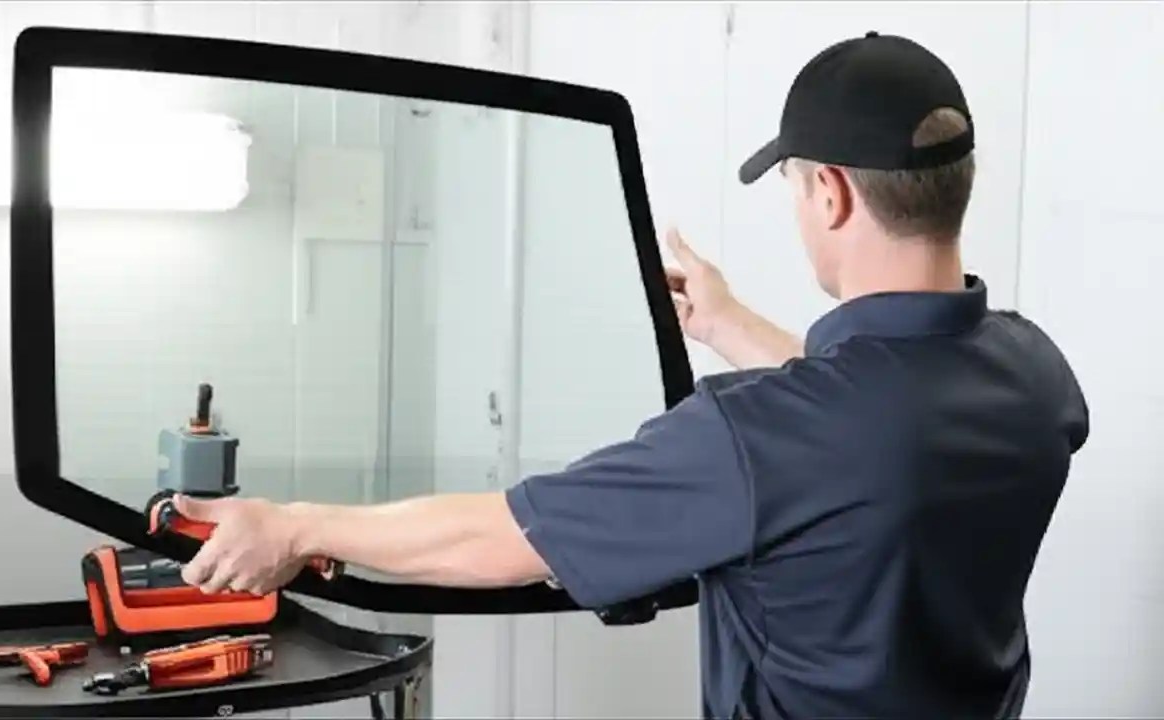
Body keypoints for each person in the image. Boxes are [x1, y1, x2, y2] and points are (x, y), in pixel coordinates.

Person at [172, 32, 1088, 719]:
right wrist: (728, 324)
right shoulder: (1034, 376)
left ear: (832, 194)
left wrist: (293, 524)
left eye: (797, 187)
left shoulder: (757, 436)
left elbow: (503, 537)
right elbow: (887, 410)